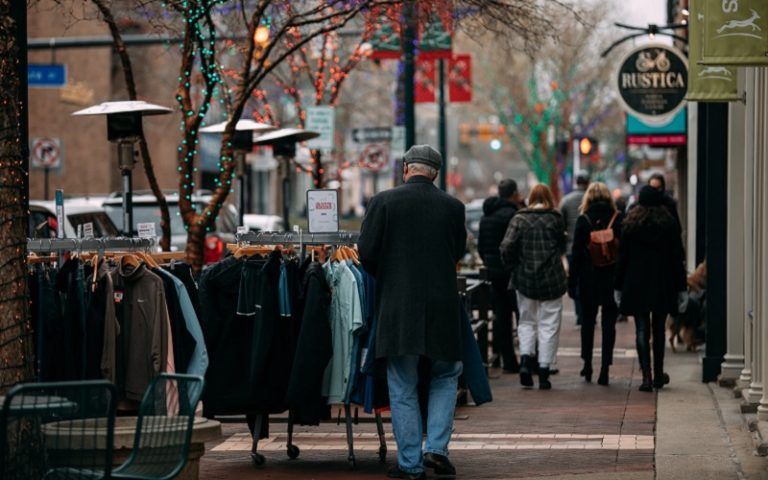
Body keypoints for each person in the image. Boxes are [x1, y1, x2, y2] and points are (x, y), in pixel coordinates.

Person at [358, 145, 466, 480]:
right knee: (445, 376)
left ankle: (410, 462)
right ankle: (436, 448)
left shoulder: (384, 202)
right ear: (436, 173)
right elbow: (457, 251)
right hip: (443, 304)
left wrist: (391, 276)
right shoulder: (453, 207)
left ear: (406, 168)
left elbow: (367, 253)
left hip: (398, 305)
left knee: (402, 383)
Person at [614, 185, 688, 392]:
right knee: (658, 330)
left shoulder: (630, 224)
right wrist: (681, 287)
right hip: (663, 282)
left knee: (641, 329)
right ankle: (658, 374)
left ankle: (645, 376)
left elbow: (623, 258)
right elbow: (677, 258)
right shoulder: (669, 223)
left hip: (636, 283)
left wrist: (618, 285)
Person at [500, 184, 567, 390]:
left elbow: (506, 247)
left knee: (526, 321)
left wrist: (514, 266)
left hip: (525, 278)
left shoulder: (519, 219)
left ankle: (526, 361)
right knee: (549, 324)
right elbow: (563, 246)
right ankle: (544, 369)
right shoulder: (555, 218)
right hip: (552, 279)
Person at [568, 182, 622, 385]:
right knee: (609, 324)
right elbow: (623, 252)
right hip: (610, 278)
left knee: (588, 324)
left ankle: (587, 364)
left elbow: (575, 254)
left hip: (588, 278)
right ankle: (605, 368)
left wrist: (572, 283)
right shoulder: (617, 219)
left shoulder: (584, 220)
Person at [477, 178, 522, 373]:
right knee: (523, 316)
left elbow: (480, 247)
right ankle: (531, 358)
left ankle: (507, 361)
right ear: (514, 194)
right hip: (513, 273)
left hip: (494, 273)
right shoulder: (513, 215)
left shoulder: (486, 216)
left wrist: (489, 261)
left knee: (501, 318)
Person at [560, 172, 590, 327]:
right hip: (592, 247)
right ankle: (590, 312)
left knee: (576, 280)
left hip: (572, 247)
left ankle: (580, 315)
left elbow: (561, 224)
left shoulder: (566, 200)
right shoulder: (591, 199)